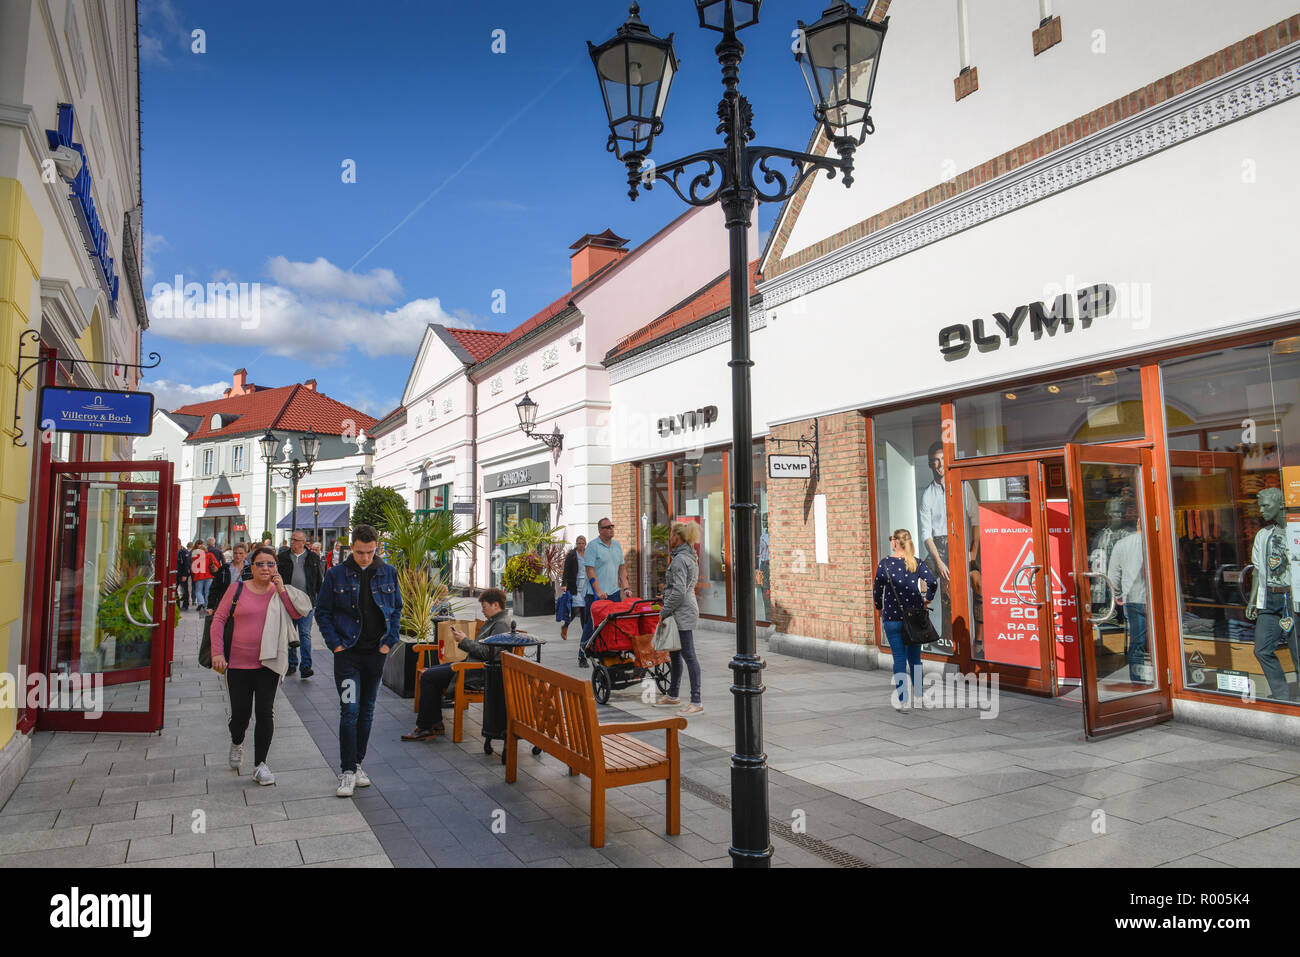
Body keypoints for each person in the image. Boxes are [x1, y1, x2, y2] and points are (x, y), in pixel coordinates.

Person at [210, 545, 311, 785]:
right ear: (251, 567)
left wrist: (281, 588)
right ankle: (237, 741)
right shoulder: (237, 589)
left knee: (265, 712)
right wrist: (217, 652)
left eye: (270, 564)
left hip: (269, 662)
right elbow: (219, 619)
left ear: (276, 567)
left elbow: (296, 615)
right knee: (240, 716)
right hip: (237, 664)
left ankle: (260, 765)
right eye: (260, 564)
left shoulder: (279, 592)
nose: (266, 568)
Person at [315, 525, 402, 797]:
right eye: (360, 552)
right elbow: (322, 611)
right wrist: (336, 645)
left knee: (367, 711)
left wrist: (389, 643)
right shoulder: (335, 574)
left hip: (375, 655)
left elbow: (397, 609)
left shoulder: (388, 572)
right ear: (351, 547)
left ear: (377, 547)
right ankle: (347, 771)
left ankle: (358, 764)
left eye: (370, 552)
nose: (365, 557)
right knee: (349, 711)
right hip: (348, 656)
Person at [403, 588, 512, 743]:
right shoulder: (495, 621)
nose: (483, 611)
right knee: (431, 672)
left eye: (485, 607)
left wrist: (464, 641)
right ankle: (434, 722)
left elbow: (489, 654)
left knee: (428, 676)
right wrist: (464, 640)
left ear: (495, 605)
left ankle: (426, 727)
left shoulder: (501, 625)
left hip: (477, 673)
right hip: (470, 665)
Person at [917, 442, 977, 653]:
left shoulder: (961, 486)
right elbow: (926, 535)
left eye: (943, 459)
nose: (940, 464)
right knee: (918, 581)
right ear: (931, 463)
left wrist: (973, 551)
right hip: (938, 547)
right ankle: (928, 635)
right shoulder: (927, 495)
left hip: (961, 543)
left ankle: (959, 642)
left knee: (957, 590)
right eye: (936, 460)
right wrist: (939, 562)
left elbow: (975, 519)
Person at [872, 529, 938, 713]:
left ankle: (903, 701)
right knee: (915, 660)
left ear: (895, 543)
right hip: (914, 619)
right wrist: (928, 599)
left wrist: (879, 608)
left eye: (891, 539)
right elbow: (932, 582)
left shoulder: (885, 564)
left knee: (899, 660)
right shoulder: (916, 563)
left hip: (892, 619)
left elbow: (877, 590)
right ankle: (918, 697)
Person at [655, 522, 703, 714]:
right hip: (683, 608)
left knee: (688, 655)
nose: (669, 539)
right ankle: (673, 695)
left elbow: (679, 592)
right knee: (675, 653)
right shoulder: (689, 556)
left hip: (682, 611)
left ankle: (696, 701)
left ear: (677, 537)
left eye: (671, 535)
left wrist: (664, 611)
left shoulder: (679, 560)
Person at [581, 518, 629, 668]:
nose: (611, 529)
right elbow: (589, 570)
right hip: (596, 594)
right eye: (607, 527)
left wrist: (626, 587)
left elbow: (622, 567)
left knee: (614, 624)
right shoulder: (592, 546)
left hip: (614, 593)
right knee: (592, 625)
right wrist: (598, 591)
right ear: (600, 530)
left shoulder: (616, 545)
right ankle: (582, 654)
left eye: (612, 526)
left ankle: (609, 652)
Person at [278, 530, 323, 678]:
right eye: (292, 539)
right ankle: (291, 664)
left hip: (306, 603)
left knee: (305, 634)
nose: (292, 542)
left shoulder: (313, 558)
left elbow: (318, 580)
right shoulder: (283, 557)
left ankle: (306, 666)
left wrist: (317, 599)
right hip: (288, 602)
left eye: (296, 540)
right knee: (290, 635)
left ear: (304, 542)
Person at [1108, 525, 1150, 684]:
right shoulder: (1156, 541)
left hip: (1133, 597)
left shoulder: (1122, 544)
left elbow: (1113, 573)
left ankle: (1138, 681)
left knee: (1137, 642)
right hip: (1156, 598)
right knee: (1162, 639)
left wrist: (1117, 595)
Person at [560, 536, 588, 640]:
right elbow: (566, 570)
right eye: (579, 543)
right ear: (576, 544)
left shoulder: (588, 553)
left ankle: (584, 635)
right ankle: (566, 626)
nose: (580, 545)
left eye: (582, 543)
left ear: (585, 544)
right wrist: (564, 584)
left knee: (584, 610)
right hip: (575, 585)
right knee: (576, 609)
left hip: (586, 585)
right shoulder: (572, 555)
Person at [191, 539, 215, 613]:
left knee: (198, 591)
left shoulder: (195, 557)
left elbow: (193, 567)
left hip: (199, 576)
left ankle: (201, 602)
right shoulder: (210, 555)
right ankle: (207, 607)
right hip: (209, 576)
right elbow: (216, 564)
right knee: (208, 592)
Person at [176, 538, 191, 611]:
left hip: (182, 574)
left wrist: (185, 575)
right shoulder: (175, 551)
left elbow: (186, 564)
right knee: (174, 589)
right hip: (176, 573)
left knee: (185, 590)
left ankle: (186, 604)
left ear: (179, 544)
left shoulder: (184, 552)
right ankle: (177, 604)